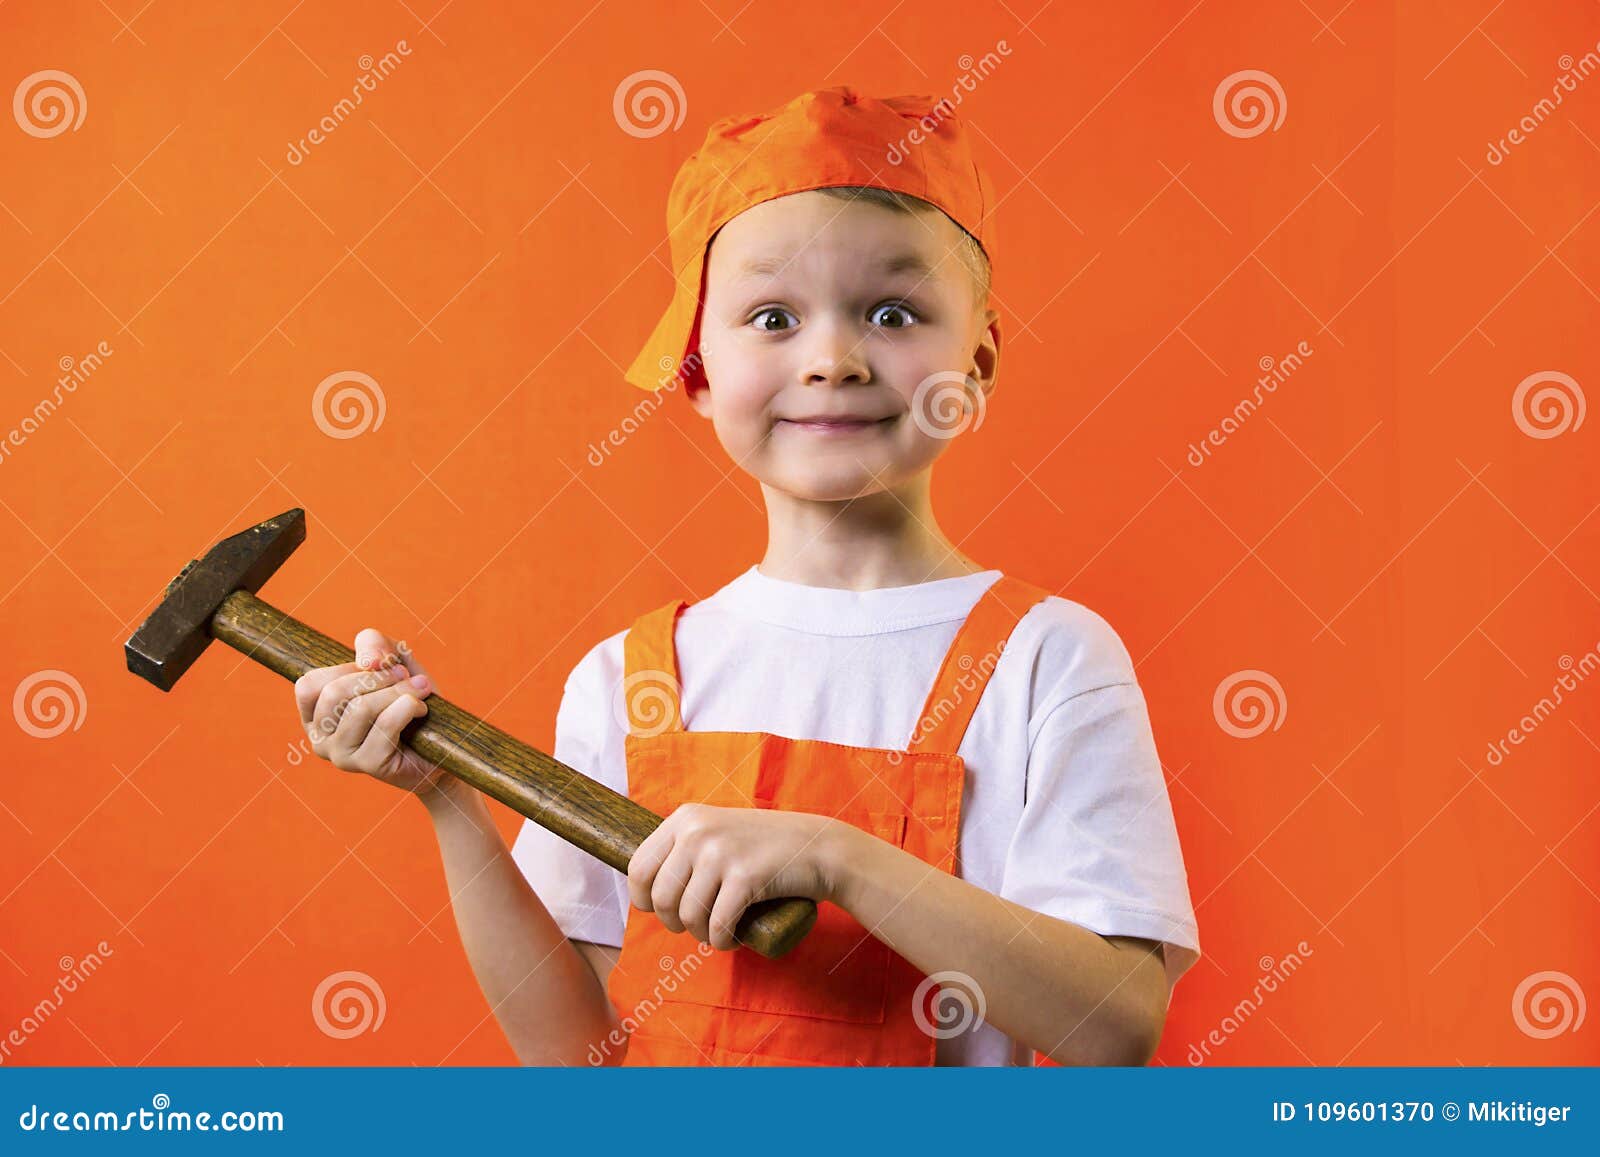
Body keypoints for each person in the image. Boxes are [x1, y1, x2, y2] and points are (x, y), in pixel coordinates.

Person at [291, 85, 1200, 1067]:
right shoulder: (630, 678)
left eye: (892, 311)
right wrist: (445, 794)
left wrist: (837, 856)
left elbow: (1113, 1026)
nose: (833, 359)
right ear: (696, 368)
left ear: (975, 358)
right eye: (771, 317)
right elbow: (574, 1057)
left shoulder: (1046, 658)